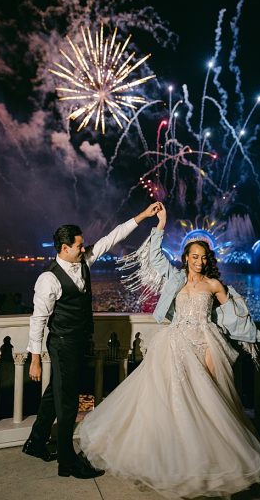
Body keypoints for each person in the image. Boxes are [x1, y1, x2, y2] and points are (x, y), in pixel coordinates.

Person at [77, 204, 260, 498]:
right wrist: (161, 223)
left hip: (206, 343)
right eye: (194, 257)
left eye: (203, 258)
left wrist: (254, 338)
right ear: (186, 258)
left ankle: (207, 462)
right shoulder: (175, 278)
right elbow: (154, 257)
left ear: (207, 260)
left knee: (208, 401)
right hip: (176, 342)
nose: (198, 262)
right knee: (171, 401)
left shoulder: (215, 284)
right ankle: (172, 458)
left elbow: (234, 316)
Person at [22, 202, 163, 478]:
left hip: (77, 342)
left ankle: (36, 441)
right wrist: (35, 359)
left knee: (55, 394)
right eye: (78, 246)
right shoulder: (48, 280)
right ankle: (67, 462)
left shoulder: (84, 261)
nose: (83, 248)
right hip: (62, 344)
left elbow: (113, 237)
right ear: (64, 249)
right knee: (68, 402)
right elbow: (37, 321)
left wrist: (142, 216)